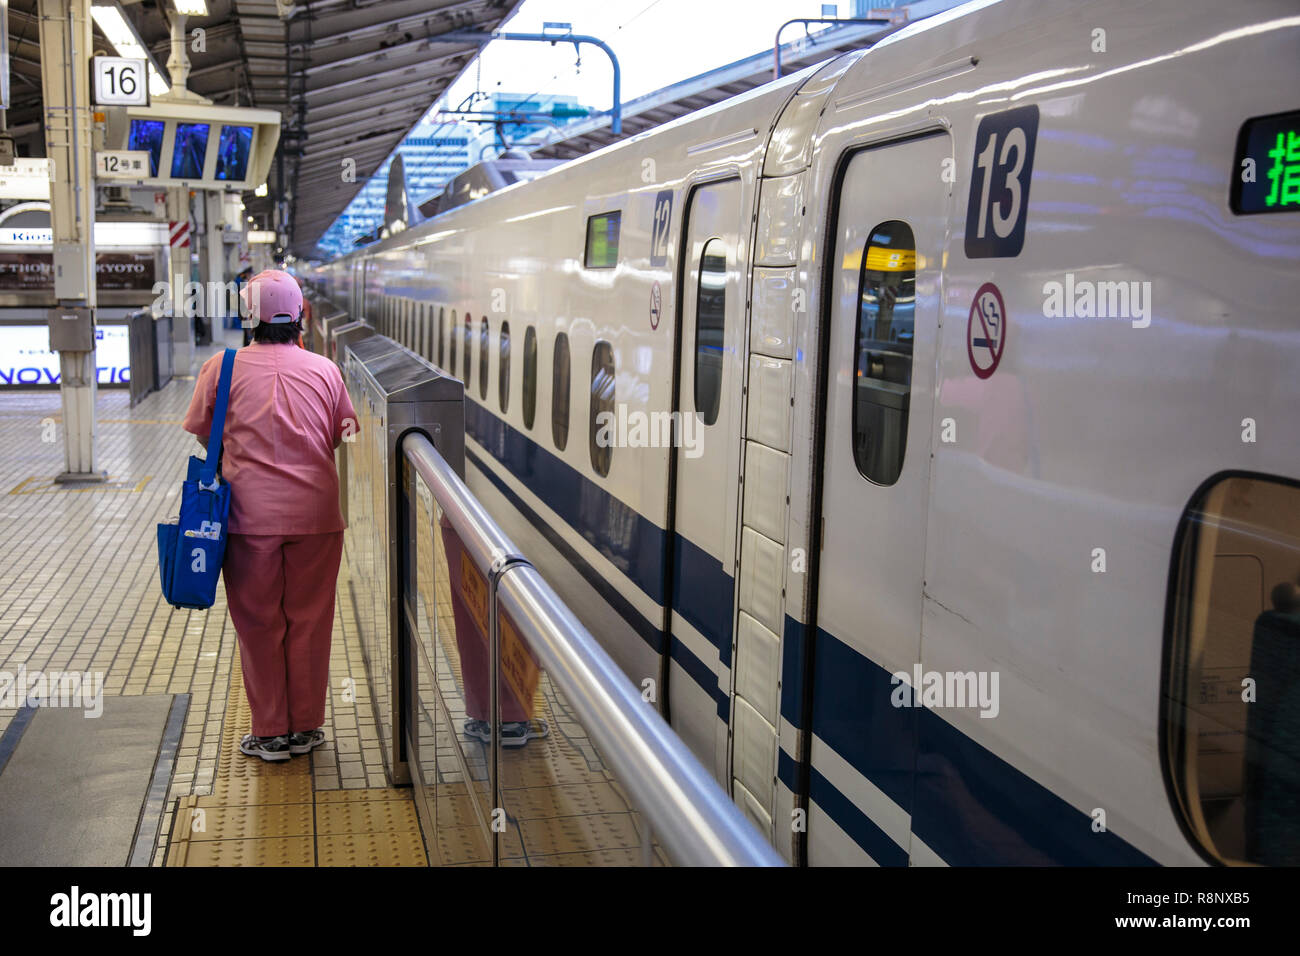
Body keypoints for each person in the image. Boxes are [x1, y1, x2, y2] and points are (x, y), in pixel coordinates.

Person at [182, 269, 358, 762]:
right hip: (317, 518)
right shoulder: (325, 369)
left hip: (246, 521)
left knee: (258, 622)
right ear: (300, 314)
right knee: (310, 620)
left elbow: (202, 433)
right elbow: (341, 432)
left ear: (248, 316)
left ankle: (270, 733)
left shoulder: (222, 366)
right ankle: (305, 728)